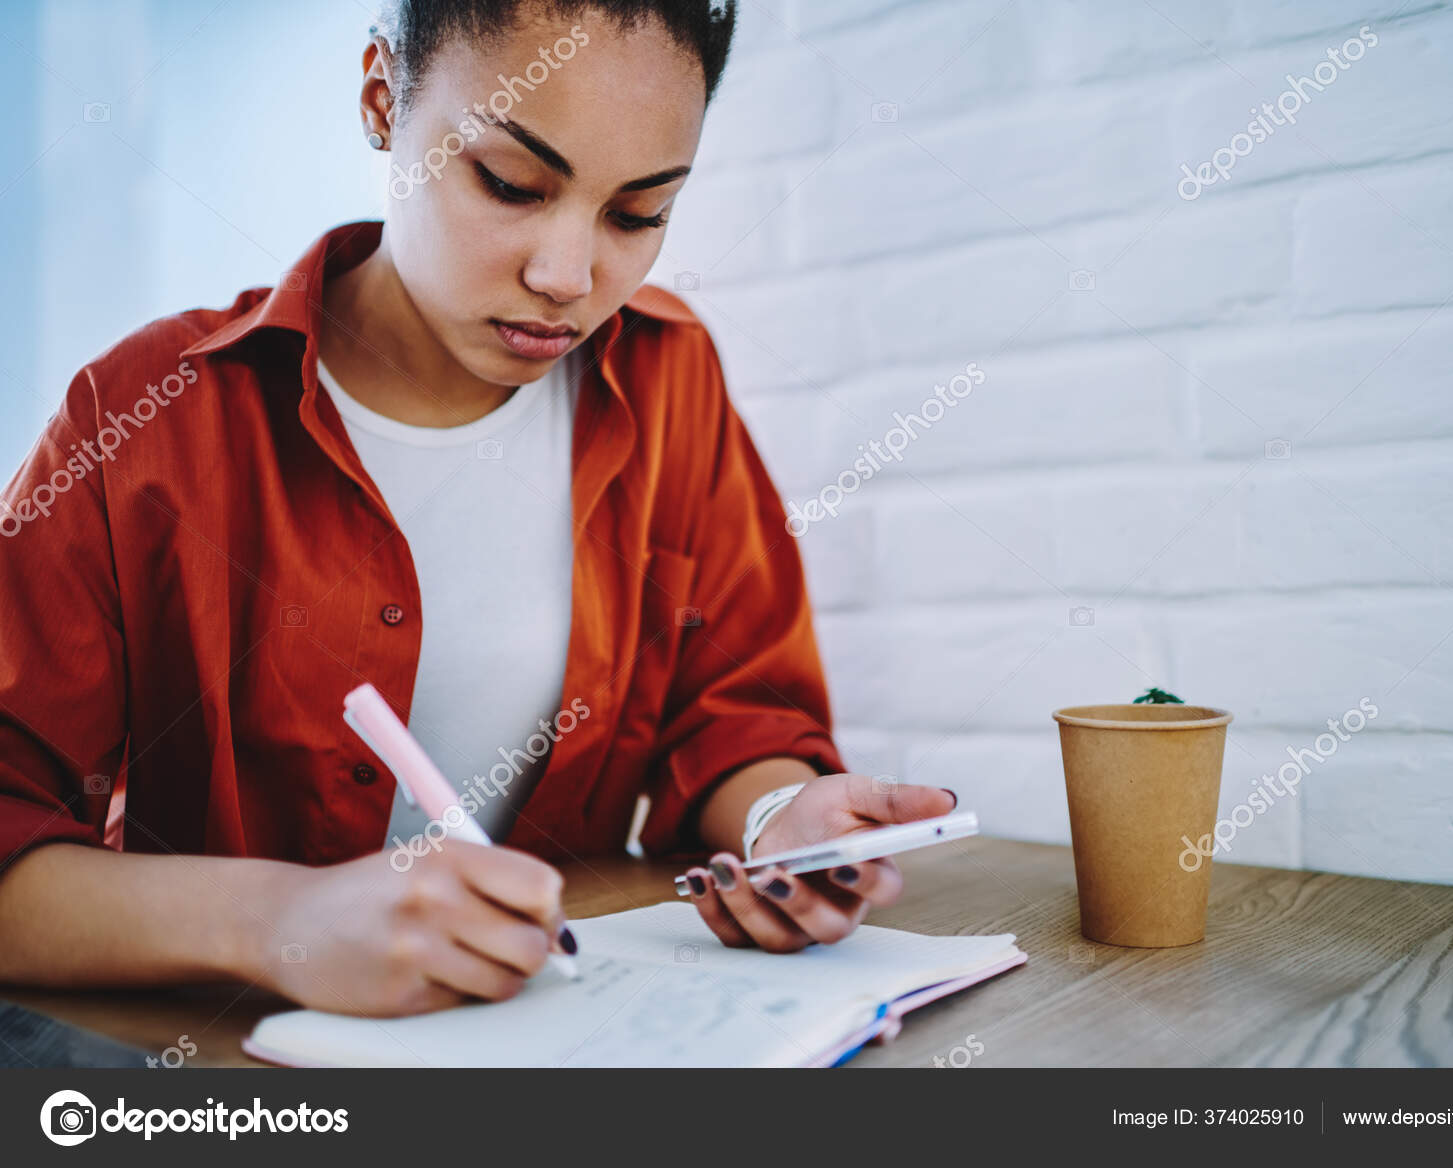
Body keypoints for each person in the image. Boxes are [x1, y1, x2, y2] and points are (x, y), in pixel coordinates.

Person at [0, 0, 956, 1018]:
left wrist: (777, 819)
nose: (567, 278)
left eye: (638, 215)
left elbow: (729, 715)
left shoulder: (669, 375)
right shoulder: (145, 413)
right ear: (382, 98)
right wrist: (279, 920)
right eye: (508, 183)